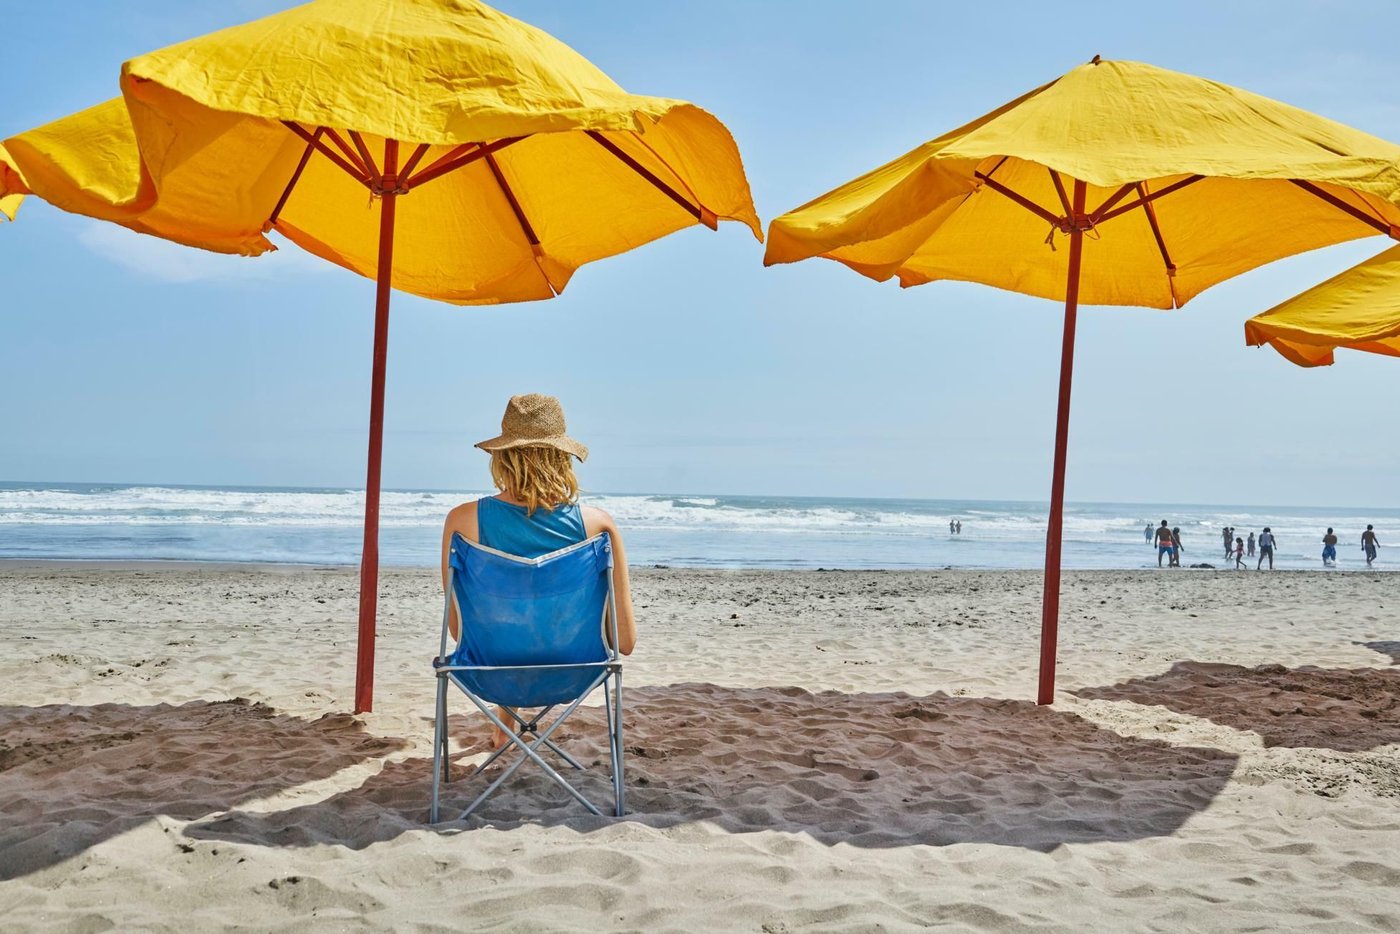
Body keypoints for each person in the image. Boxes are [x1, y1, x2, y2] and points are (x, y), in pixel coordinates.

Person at [441, 393, 637, 748]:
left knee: (514, 624)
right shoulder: (598, 526)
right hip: (574, 672)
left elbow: (459, 630)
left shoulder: (462, 522)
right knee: (536, 621)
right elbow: (625, 641)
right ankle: (505, 726)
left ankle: (504, 726)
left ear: (502, 456)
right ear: (563, 457)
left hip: (491, 671)